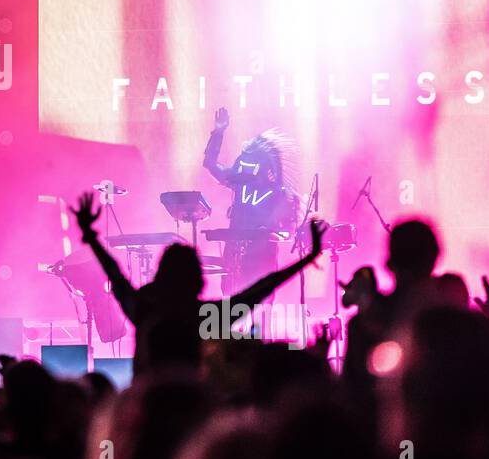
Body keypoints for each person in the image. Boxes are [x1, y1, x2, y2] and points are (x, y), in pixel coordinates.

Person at [72, 190, 326, 373]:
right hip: (191, 412)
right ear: (197, 279)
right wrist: (310, 256)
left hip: (147, 413)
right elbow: (263, 287)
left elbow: (115, 274)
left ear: (160, 273)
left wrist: (90, 236)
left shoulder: (143, 309)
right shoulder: (204, 316)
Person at [202, 106, 302, 289]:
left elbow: (289, 231)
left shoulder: (278, 194)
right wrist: (218, 132)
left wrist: (271, 234)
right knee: (230, 304)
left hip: (262, 260)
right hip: (234, 255)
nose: (243, 167)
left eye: (250, 163)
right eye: (241, 162)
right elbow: (209, 163)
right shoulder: (238, 184)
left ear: (264, 167)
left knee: (261, 305)